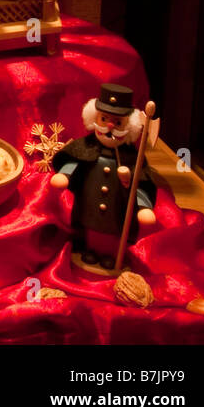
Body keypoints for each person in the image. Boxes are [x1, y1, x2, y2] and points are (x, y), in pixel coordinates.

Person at [51, 83, 157, 271]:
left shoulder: (133, 158)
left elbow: (141, 183)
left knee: (114, 234)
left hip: (117, 215)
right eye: (104, 118)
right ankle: (89, 250)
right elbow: (76, 161)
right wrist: (65, 175)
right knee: (88, 229)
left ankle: (112, 255)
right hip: (88, 209)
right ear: (94, 118)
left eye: (117, 122)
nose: (110, 125)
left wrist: (143, 206)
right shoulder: (85, 147)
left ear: (129, 125)